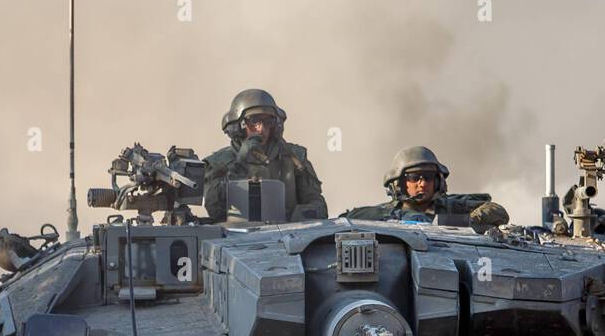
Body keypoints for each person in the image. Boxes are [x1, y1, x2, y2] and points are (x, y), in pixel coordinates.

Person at [202, 89, 327, 223]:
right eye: (254, 121)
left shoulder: (294, 158)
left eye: (267, 121)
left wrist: (294, 218)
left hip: (287, 236)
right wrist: (240, 164)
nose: (261, 129)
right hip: (237, 239)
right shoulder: (219, 163)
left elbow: (318, 206)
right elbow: (214, 210)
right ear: (239, 126)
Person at [343, 146, 508, 232]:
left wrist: (468, 221)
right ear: (399, 183)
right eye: (415, 178)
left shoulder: (450, 206)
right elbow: (341, 222)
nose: (423, 184)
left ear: (438, 181)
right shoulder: (380, 214)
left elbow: (498, 212)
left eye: (428, 177)